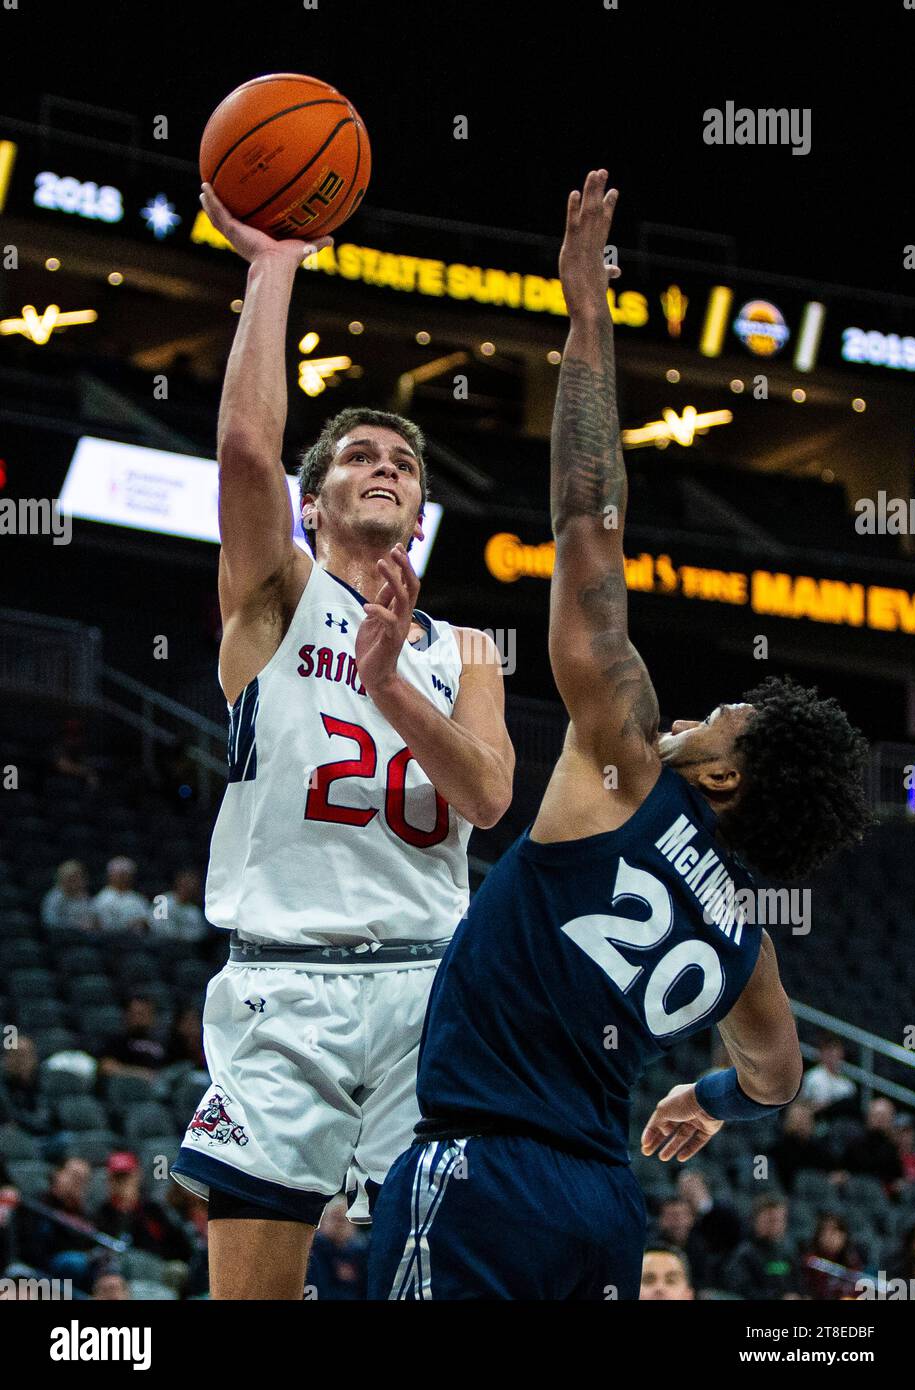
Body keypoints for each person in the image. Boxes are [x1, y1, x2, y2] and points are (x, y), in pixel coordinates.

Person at [367, 170, 871, 1301]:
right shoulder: (745, 938)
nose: (697, 711)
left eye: (723, 718)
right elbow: (780, 1072)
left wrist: (587, 311)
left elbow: (587, 508)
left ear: (730, 770)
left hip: (483, 1170)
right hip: (599, 1210)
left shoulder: (627, 761)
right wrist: (712, 1100)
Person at [170, 181, 514, 1301]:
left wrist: (392, 690)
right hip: (287, 989)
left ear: (417, 515)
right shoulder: (276, 596)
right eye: (361, 454)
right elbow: (242, 446)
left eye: (404, 465)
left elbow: (491, 798)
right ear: (314, 503)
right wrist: (273, 266)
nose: (387, 467)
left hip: (430, 993)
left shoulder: (466, 650)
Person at [94, 1153, 194, 1263]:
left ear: (137, 1176)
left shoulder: (152, 1208)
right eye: (117, 1178)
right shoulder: (102, 1213)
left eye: (126, 1177)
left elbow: (181, 1246)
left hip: (155, 1267)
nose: (122, 1183)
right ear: (109, 1181)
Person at [724, 1197, 799, 1300]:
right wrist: (778, 1297)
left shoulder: (787, 1253)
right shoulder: (744, 1255)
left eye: (780, 1220)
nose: (776, 1225)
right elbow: (741, 1291)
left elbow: (800, 1284)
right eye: (771, 1220)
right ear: (756, 1220)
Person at [306, 1196, 369, 1300]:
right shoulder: (311, 1254)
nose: (340, 1225)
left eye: (346, 1219)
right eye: (335, 1217)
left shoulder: (361, 1255)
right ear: (322, 1222)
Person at [770, 1100, 840, 1193]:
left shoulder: (820, 1150)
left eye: (806, 1119)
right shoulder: (776, 1150)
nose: (802, 1124)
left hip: (819, 1196)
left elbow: (836, 1172)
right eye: (798, 1119)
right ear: (786, 1122)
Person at [843, 1097, 904, 1192]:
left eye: (884, 1117)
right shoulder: (854, 1143)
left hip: (882, 1198)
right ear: (868, 1117)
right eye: (876, 1115)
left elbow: (897, 1179)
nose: (880, 1120)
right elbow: (842, 1173)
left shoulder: (893, 1149)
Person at [800, 1212, 864, 1300]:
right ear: (818, 1236)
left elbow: (858, 1292)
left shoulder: (852, 1261)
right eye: (825, 1231)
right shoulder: (811, 1262)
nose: (830, 1236)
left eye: (835, 1231)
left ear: (844, 1236)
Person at [98, 997, 167, 1078]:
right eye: (135, 1013)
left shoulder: (164, 1042)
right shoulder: (117, 1040)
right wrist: (142, 1074)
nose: (139, 1018)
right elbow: (106, 1067)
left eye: (143, 1013)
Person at [0, 1035, 52, 1136]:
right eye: (16, 1055)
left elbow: (45, 1117)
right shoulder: (3, 1083)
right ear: (7, 1059)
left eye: (25, 1055)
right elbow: (9, 1115)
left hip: (43, 1135)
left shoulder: (44, 1080)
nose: (21, 1061)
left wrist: (23, 1121)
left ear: (34, 1058)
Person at [801, 1036, 858, 1116]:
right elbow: (802, 1105)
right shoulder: (811, 1077)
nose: (832, 1055)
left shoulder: (847, 1084)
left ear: (841, 1054)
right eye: (829, 1051)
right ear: (821, 1053)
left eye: (836, 1051)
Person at [91, 858, 150, 935]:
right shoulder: (101, 898)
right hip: (106, 940)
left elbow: (146, 921)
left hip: (134, 941)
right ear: (110, 875)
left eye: (125, 875)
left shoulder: (139, 899)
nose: (122, 878)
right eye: (119, 875)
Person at [149, 870, 209, 945]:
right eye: (185, 884)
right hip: (159, 943)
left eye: (191, 886)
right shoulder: (164, 900)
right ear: (178, 883)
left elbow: (198, 933)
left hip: (184, 947)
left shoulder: (194, 912)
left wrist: (180, 937)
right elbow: (154, 923)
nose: (188, 888)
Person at [40, 860, 96, 933]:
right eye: (72, 878)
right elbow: (50, 922)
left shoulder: (83, 895)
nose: (77, 881)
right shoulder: (55, 898)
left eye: (79, 877)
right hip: (65, 936)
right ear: (62, 879)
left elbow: (92, 915)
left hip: (85, 935)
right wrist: (76, 926)